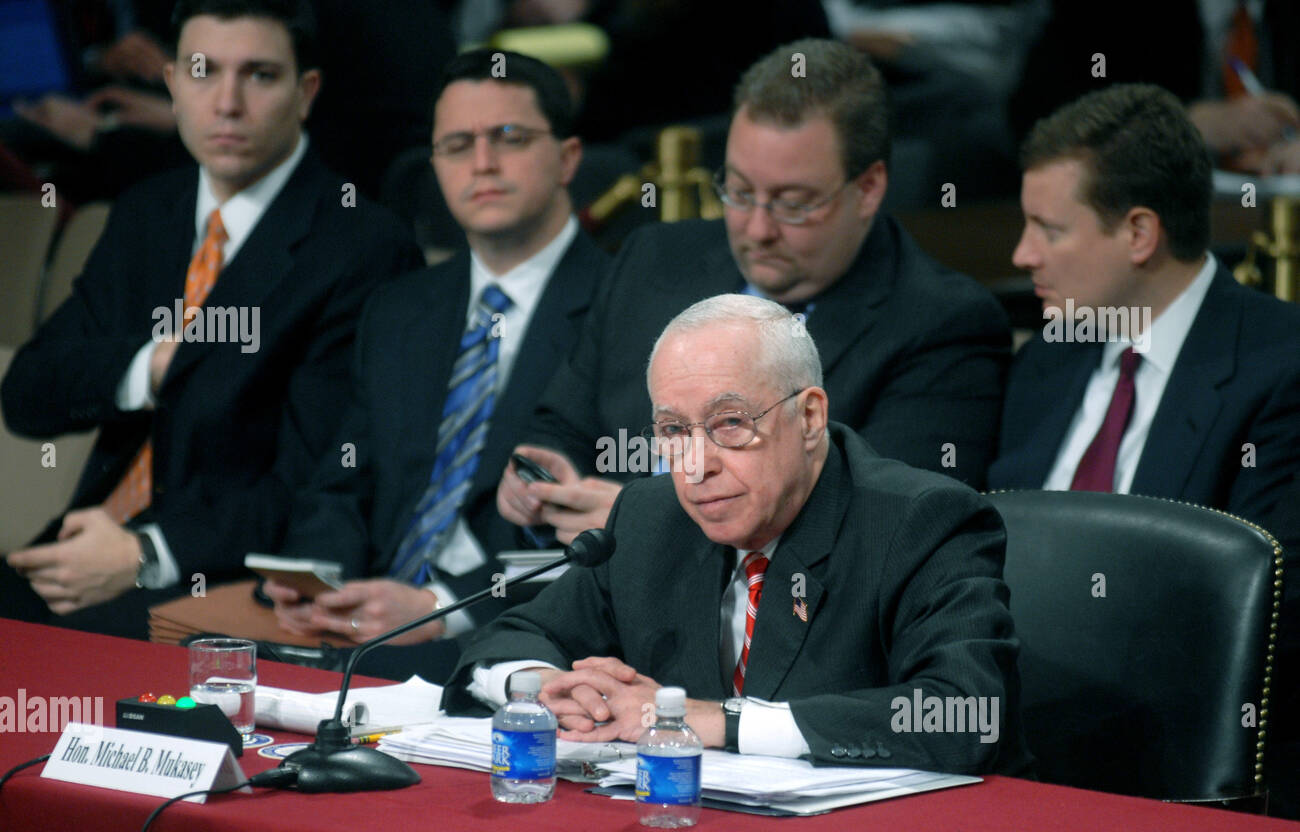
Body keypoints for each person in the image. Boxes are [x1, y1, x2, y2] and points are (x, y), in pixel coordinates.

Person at [446, 295, 1032, 775]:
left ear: (809, 418)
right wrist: (548, 687)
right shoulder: (652, 516)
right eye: (673, 431)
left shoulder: (922, 521)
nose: (696, 465)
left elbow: (963, 711)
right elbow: (516, 635)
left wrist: (711, 721)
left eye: (730, 424)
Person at [0, 0, 423, 638]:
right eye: (202, 72)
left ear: (305, 92)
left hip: (228, 580)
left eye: (258, 75)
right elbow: (29, 395)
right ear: (172, 85)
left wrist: (149, 552)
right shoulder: (147, 213)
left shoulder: (362, 244)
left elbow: (324, 477)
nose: (227, 102)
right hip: (83, 548)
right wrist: (149, 367)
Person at [496, 37, 1011, 546]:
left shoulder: (942, 324)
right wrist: (544, 470)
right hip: (583, 591)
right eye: (740, 193)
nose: (757, 229)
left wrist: (643, 521)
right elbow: (563, 422)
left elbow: (885, 527)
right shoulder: (652, 261)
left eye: (794, 203)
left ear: (869, 188)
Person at [264, 50, 607, 656]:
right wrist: (321, 579)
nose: (482, 163)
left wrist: (442, 608)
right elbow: (343, 479)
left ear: (568, 158)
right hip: (363, 629)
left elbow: (612, 533)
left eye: (509, 137)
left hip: (515, 642)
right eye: (456, 145)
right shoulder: (399, 307)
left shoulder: (623, 308)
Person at [989, 83, 1300, 534]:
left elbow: (1262, 591)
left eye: (1049, 231)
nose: (1023, 255)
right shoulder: (1044, 359)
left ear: (1139, 234)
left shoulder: (1279, 370)